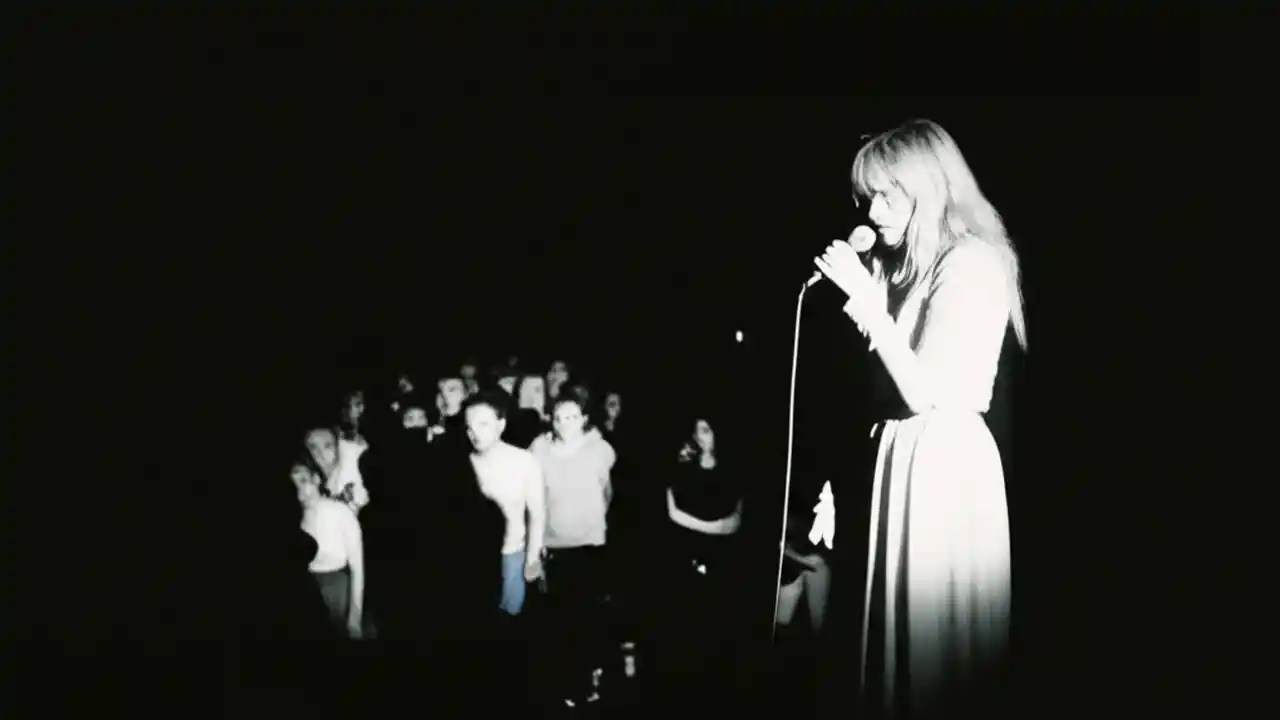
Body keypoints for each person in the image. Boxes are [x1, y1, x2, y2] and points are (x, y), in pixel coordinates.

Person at [811, 118, 1026, 719]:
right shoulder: (910, 269)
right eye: (867, 196)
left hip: (944, 466)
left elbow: (927, 391)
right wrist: (842, 482)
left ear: (927, 190)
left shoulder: (973, 262)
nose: (872, 211)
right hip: (903, 457)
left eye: (886, 195)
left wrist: (865, 303)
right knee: (894, 651)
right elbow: (882, 397)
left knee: (931, 653)